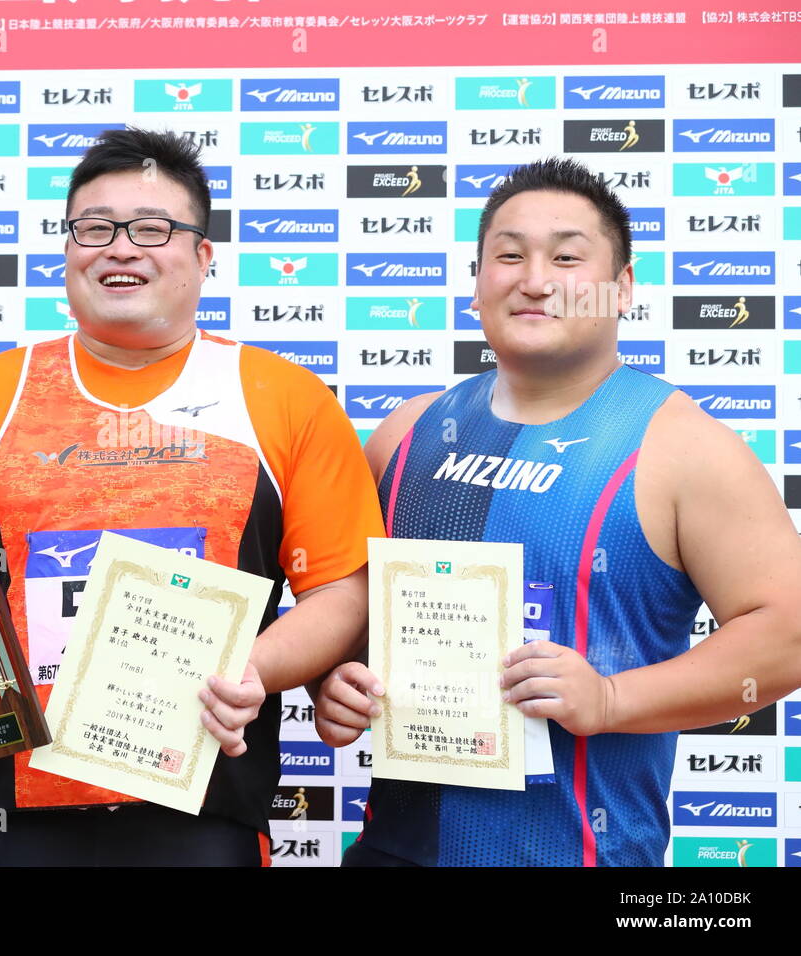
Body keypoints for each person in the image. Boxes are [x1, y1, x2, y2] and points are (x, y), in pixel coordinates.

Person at [0, 128, 381, 865]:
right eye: (95, 228)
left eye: (152, 229)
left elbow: (343, 594)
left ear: (202, 256)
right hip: (23, 819)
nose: (120, 248)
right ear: (68, 251)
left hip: (209, 803)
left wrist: (255, 670)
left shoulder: (285, 399)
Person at [314, 158, 801, 866]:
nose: (534, 279)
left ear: (622, 286)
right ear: (478, 281)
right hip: (395, 850)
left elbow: (786, 636)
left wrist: (608, 699)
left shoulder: (681, 445)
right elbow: (344, 611)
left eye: (567, 257)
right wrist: (338, 682)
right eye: (508, 255)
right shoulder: (406, 435)